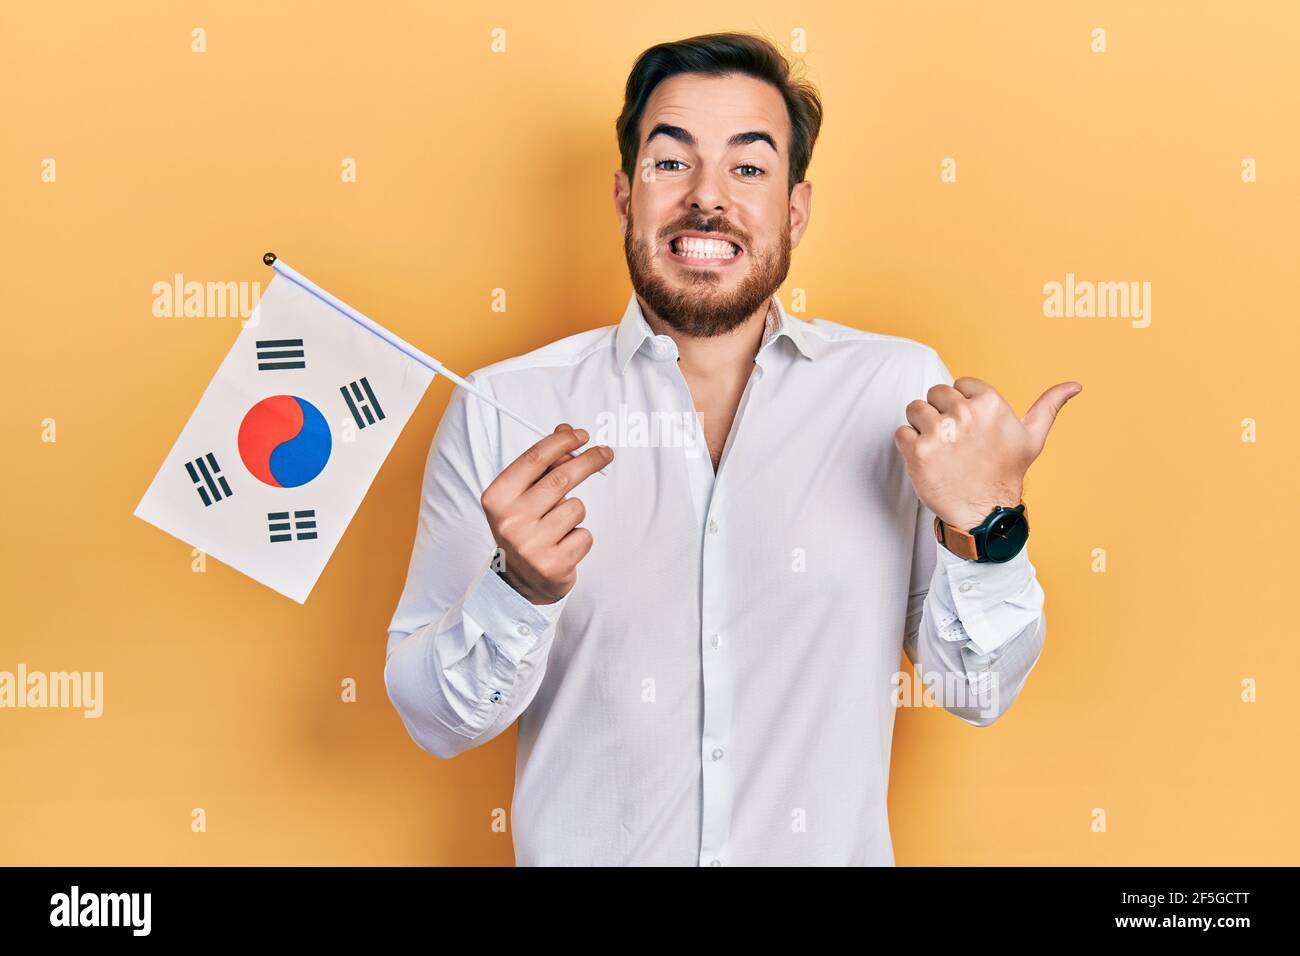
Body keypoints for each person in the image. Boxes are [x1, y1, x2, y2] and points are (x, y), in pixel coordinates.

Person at [384, 32, 1080, 865]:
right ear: (622, 197)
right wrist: (518, 590)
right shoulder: (504, 407)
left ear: (794, 210)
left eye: (748, 167)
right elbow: (434, 722)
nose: (706, 198)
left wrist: (989, 523)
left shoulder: (894, 392)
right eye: (670, 163)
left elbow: (981, 689)